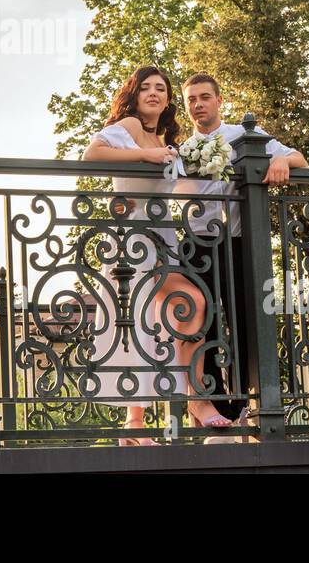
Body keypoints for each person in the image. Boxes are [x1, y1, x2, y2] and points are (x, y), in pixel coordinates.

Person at [82, 65, 232, 444]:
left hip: (162, 233)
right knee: (134, 319)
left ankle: (196, 400)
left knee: (191, 303)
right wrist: (143, 158)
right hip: (130, 236)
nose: (153, 93)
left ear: (167, 100)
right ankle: (135, 423)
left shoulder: (166, 137)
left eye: (160, 89)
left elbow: (176, 186)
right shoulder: (130, 126)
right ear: (133, 95)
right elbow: (91, 155)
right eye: (145, 87)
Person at [176, 73, 308, 433]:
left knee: (248, 318)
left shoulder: (245, 134)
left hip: (238, 241)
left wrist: (280, 163)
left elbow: (300, 158)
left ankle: (250, 404)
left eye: (205, 97)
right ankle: (216, 409)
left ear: (220, 100)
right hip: (197, 244)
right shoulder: (181, 150)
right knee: (205, 324)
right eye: (191, 99)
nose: (198, 104)